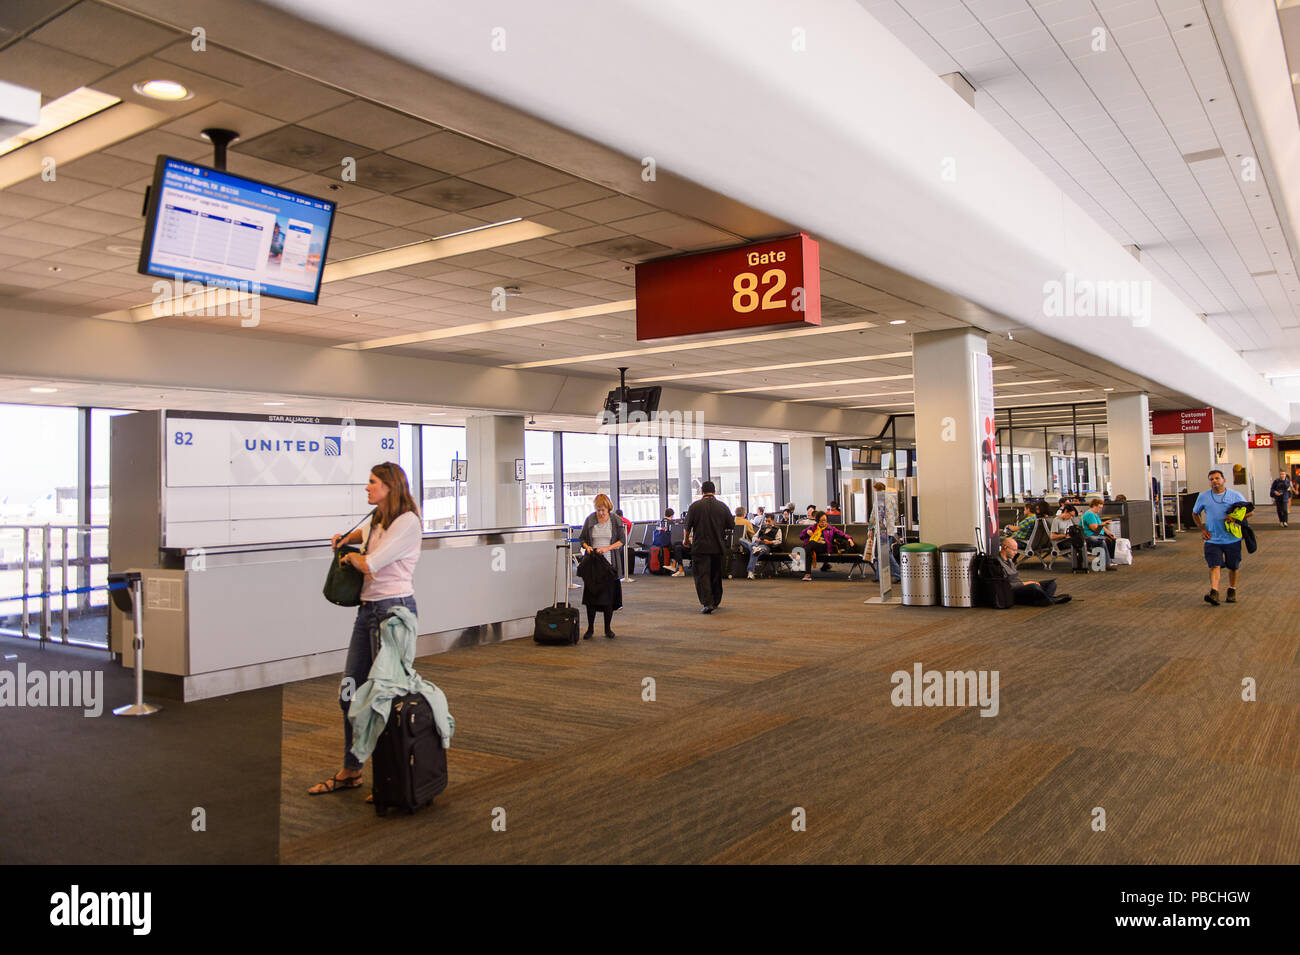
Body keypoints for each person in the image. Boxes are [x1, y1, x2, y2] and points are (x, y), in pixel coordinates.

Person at [310, 462, 422, 795]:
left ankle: (394, 777)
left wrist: (350, 559)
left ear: (389, 486)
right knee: (350, 693)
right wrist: (345, 539)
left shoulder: (408, 522)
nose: (367, 487)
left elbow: (371, 563)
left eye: (372, 482)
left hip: (394, 612)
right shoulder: (378, 518)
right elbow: (363, 539)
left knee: (387, 697)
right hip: (367, 612)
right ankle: (352, 769)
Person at [1193, 469, 1247, 606]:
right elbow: (1195, 513)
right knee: (1214, 565)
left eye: (1217, 478)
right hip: (1212, 539)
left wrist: (1234, 517)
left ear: (1224, 480)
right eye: (1211, 479)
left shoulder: (1235, 495)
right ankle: (1214, 592)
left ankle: (1232, 590)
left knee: (1233, 566)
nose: (1214, 481)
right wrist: (1202, 529)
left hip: (1232, 538)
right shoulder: (1203, 496)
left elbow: (1249, 511)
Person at [578, 493, 625, 637]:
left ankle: (607, 629)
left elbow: (622, 540)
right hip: (593, 564)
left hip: (610, 564)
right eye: (598, 510)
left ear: (608, 508)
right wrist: (587, 547)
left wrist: (607, 548)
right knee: (591, 598)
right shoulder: (590, 519)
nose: (600, 513)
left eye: (603, 510)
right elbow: (582, 539)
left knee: (608, 599)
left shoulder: (615, 520)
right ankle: (590, 628)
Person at [684, 480, 732, 614]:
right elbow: (731, 525)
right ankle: (716, 600)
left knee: (702, 575)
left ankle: (707, 603)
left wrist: (686, 540)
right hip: (718, 546)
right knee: (716, 574)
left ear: (702, 492)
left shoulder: (695, 506)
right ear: (714, 491)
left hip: (700, 547)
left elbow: (687, 527)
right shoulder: (722, 506)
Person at [999, 538, 1070, 605]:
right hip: (1012, 590)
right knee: (1034, 587)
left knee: (1052, 583)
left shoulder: (1010, 560)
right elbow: (1006, 585)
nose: (1016, 553)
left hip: (1019, 585)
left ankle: (1044, 600)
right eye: (1014, 550)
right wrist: (1026, 583)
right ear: (1005, 547)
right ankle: (1051, 600)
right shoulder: (998, 564)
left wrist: (1025, 584)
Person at [798, 511, 855, 581]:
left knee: (809, 545)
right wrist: (806, 532)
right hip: (813, 547)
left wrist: (849, 538)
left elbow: (842, 534)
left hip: (824, 546)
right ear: (817, 521)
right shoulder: (813, 527)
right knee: (809, 548)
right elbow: (801, 536)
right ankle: (807, 574)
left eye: (825, 521)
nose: (824, 523)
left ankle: (804, 568)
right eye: (821, 521)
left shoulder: (831, 528)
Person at [866, 481, 901, 583]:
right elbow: (896, 513)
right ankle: (879, 576)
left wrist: (870, 528)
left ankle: (898, 574)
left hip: (882, 530)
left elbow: (874, 515)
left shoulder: (879, 499)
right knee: (880, 553)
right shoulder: (891, 498)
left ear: (876, 489)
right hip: (890, 529)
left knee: (886, 553)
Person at [745, 512, 783, 578]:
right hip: (757, 543)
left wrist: (770, 542)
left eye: (769, 521)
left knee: (755, 552)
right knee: (742, 540)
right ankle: (755, 548)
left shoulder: (777, 529)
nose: (767, 523)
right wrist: (757, 539)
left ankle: (750, 572)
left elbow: (779, 541)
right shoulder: (762, 527)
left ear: (773, 521)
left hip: (766, 546)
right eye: (766, 521)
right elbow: (754, 537)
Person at [732, 506, 756, 577]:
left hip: (732, 544)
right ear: (744, 514)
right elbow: (752, 535)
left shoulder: (732, 521)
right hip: (743, 546)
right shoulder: (746, 522)